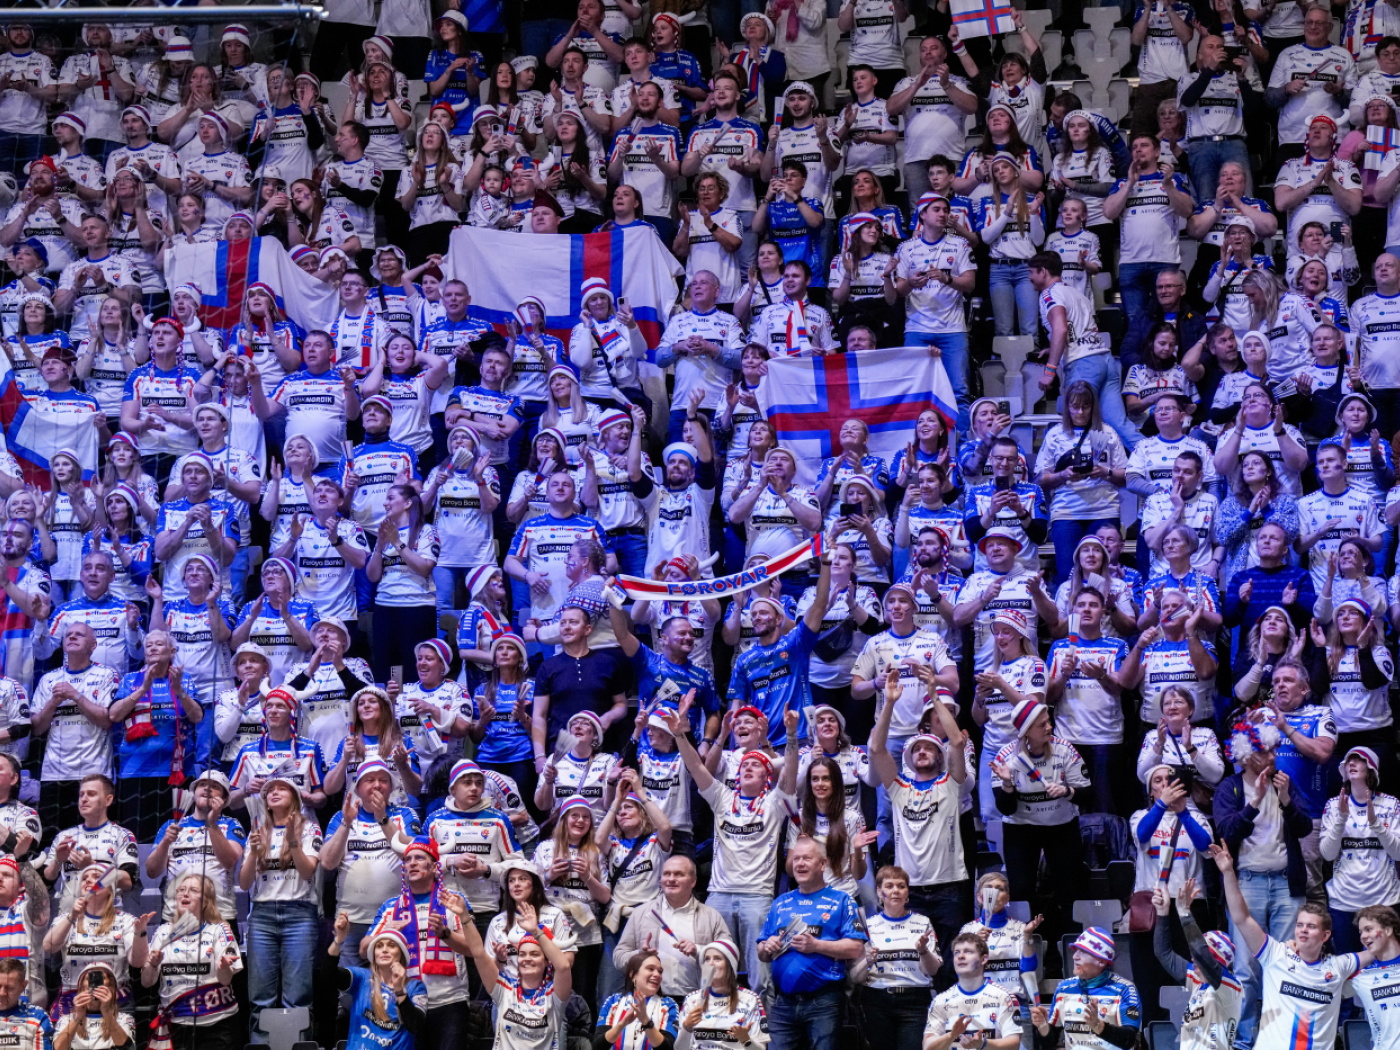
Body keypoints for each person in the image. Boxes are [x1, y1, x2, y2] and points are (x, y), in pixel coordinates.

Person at [1211, 841, 1372, 1050]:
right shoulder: (1276, 954)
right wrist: (1228, 873)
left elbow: (1378, 951)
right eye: (1300, 925)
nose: (1303, 930)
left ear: (1326, 935)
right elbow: (1241, 917)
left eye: (1311, 926)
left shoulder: (1339, 966)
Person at [868, 668, 966, 985]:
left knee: (951, 965)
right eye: (917, 749)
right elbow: (877, 750)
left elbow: (956, 741)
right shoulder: (899, 788)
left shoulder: (950, 783)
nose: (922, 751)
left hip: (949, 887)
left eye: (929, 748)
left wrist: (934, 695)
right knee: (915, 968)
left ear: (939, 757)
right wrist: (889, 702)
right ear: (909, 759)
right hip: (909, 891)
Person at [756, 835, 866, 1050]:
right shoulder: (781, 902)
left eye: (807, 858)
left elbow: (856, 947)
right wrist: (766, 946)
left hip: (823, 1001)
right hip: (783, 1002)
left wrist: (817, 946)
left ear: (823, 864)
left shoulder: (842, 900)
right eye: (796, 859)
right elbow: (761, 951)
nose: (800, 863)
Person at [237, 774, 320, 1046]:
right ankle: (262, 1046)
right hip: (261, 915)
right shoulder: (259, 829)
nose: (273, 792)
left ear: (295, 797)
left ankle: (295, 1046)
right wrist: (252, 852)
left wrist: (293, 840)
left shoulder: (309, 828)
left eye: (281, 788)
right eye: (269, 789)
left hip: (299, 914)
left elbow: (307, 871)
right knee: (260, 996)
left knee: (297, 996)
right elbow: (244, 882)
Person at [141, 873, 243, 1050]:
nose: (185, 894)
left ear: (206, 901)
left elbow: (226, 980)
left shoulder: (219, 930)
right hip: (176, 1025)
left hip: (216, 1024)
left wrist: (224, 967)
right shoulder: (163, 932)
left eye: (193, 890)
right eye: (181, 890)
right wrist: (153, 964)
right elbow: (146, 981)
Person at [613, 855, 732, 999]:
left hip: (698, 1001)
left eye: (678, 874)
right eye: (666, 874)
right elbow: (618, 957)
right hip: (651, 1001)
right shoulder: (641, 913)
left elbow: (729, 958)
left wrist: (699, 951)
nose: (671, 879)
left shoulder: (711, 916)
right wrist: (639, 955)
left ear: (693, 881)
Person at [1031, 928, 1141, 1050]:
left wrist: (1099, 1026)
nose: (1075, 956)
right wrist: (1042, 1025)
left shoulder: (1124, 989)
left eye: (1083, 952)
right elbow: (1050, 1042)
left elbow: (1129, 1039)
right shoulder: (1064, 989)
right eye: (1076, 950)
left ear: (1101, 961)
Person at [331, 926, 428, 1050]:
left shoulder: (416, 987)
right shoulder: (362, 978)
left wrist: (399, 989)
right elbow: (328, 975)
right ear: (374, 954)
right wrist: (338, 940)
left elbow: (416, 1026)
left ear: (401, 954)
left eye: (391, 945)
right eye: (379, 946)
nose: (384, 950)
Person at [922, 933, 1023, 1050]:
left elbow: (1014, 1044)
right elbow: (927, 1047)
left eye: (968, 951)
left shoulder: (1004, 997)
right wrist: (951, 1035)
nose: (961, 956)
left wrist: (983, 1044)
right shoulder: (940, 1000)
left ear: (984, 959)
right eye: (957, 952)